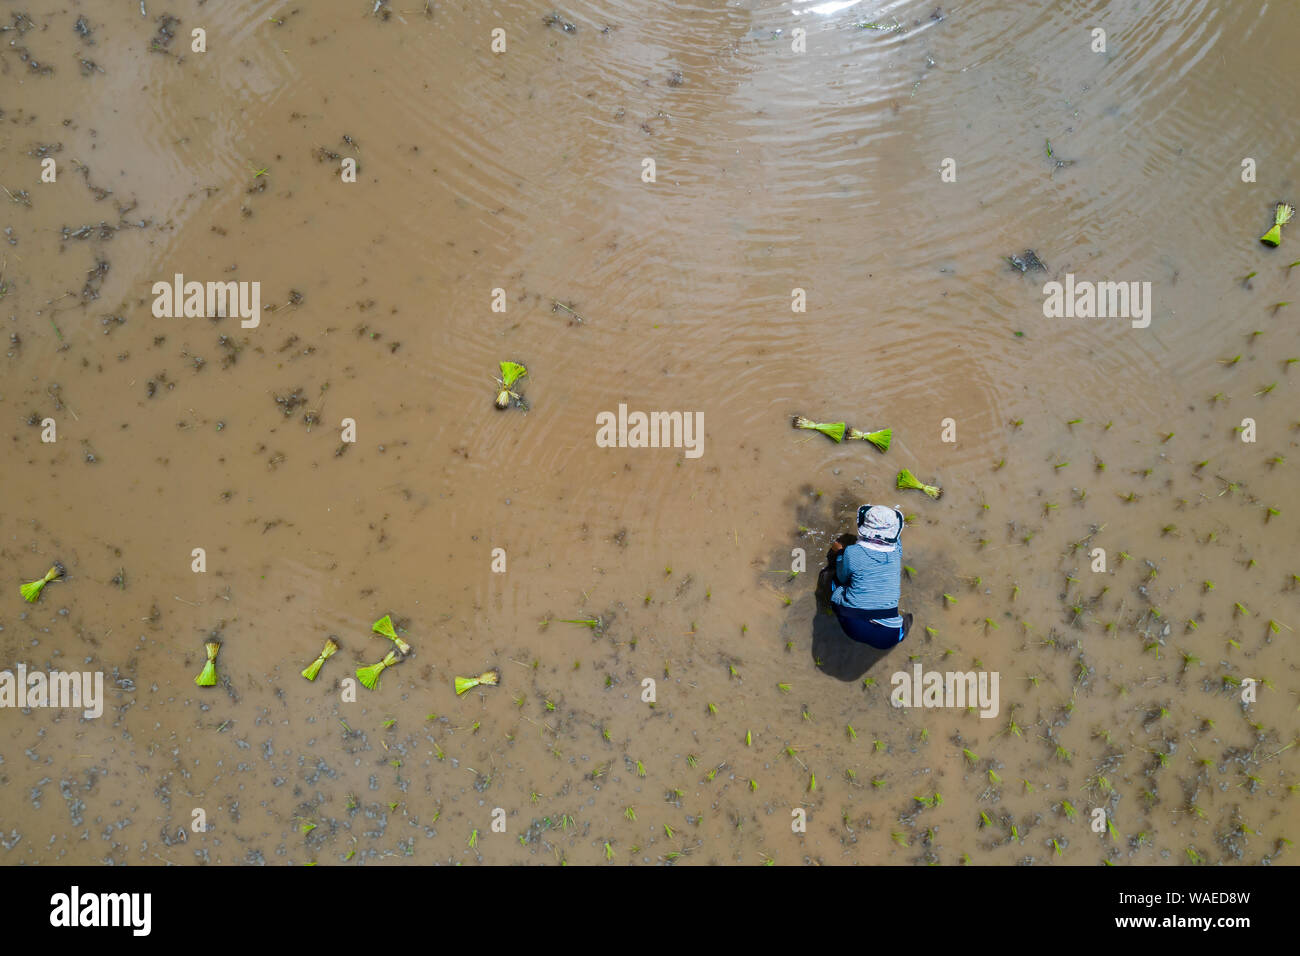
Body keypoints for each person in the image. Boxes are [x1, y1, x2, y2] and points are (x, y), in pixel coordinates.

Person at [828, 504, 913, 649]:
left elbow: (842, 578)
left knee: (834, 581)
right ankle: (902, 630)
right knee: (901, 621)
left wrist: (840, 554)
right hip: (889, 636)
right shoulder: (896, 551)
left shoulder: (852, 552)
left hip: (853, 625)